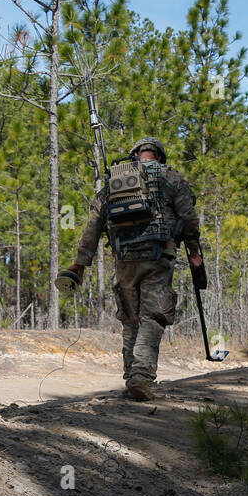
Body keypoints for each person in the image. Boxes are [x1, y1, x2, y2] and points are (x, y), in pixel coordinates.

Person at [64, 136, 204, 400]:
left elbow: (93, 226)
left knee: (130, 320)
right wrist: (194, 252)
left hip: (124, 259)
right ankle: (140, 377)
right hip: (157, 257)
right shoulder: (171, 178)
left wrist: (80, 264)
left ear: (135, 155)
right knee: (152, 317)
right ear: (160, 157)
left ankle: (132, 376)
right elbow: (189, 219)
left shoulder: (113, 185)